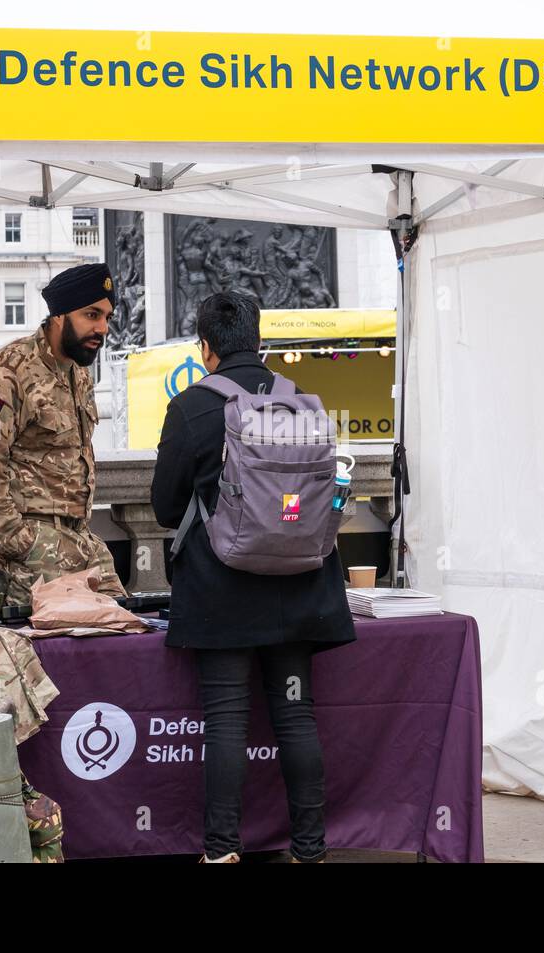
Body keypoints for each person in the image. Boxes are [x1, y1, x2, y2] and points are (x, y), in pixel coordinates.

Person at [151, 291, 355, 864]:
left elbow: (167, 509)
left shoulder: (192, 406)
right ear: (260, 342)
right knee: (295, 712)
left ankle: (221, 851)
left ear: (205, 349)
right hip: (300, 589)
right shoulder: (305, 405)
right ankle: (310, 850)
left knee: (226, 721)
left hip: (223, 593)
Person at [0, 262, 127, 605]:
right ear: (59, 316)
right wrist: (22, 542)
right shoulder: (8, 373)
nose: (103, 328)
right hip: (27, 552)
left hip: (79, 540)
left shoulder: (78, 375)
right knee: (65, 648)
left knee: (131, 631)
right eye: (92, 315)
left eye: (107, 317)